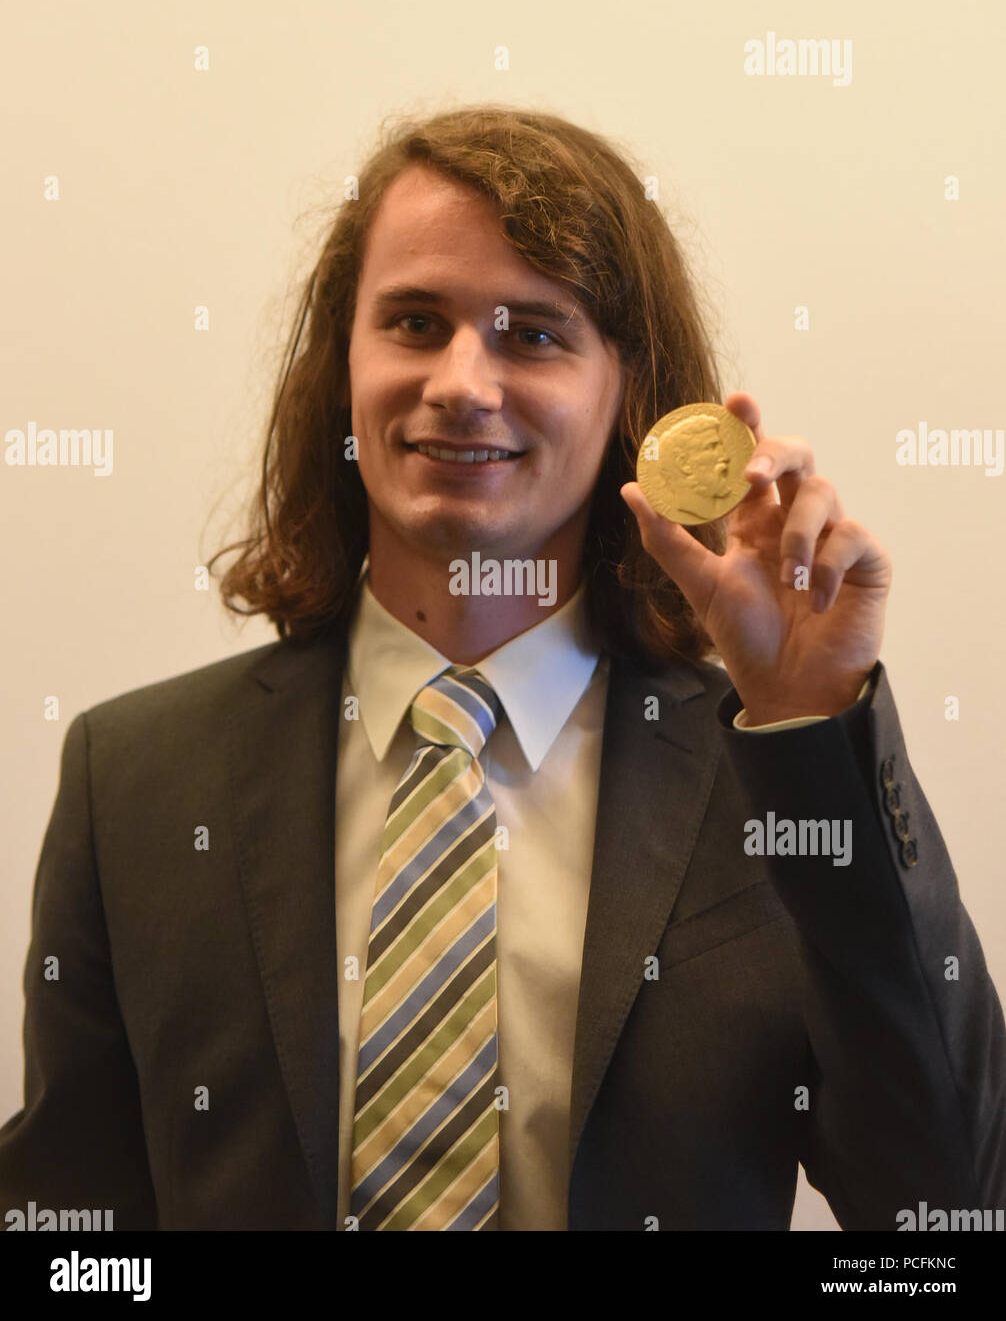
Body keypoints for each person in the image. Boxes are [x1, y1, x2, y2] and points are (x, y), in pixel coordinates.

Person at [2, 105, 1003, 1232]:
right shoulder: (131, 779)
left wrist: (812, 733)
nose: (463, 382)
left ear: (629, 391)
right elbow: (69, 1239)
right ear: (344, 367)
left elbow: (944, 1215)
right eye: (416, 322)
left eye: (532, 333)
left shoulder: (764, 781)